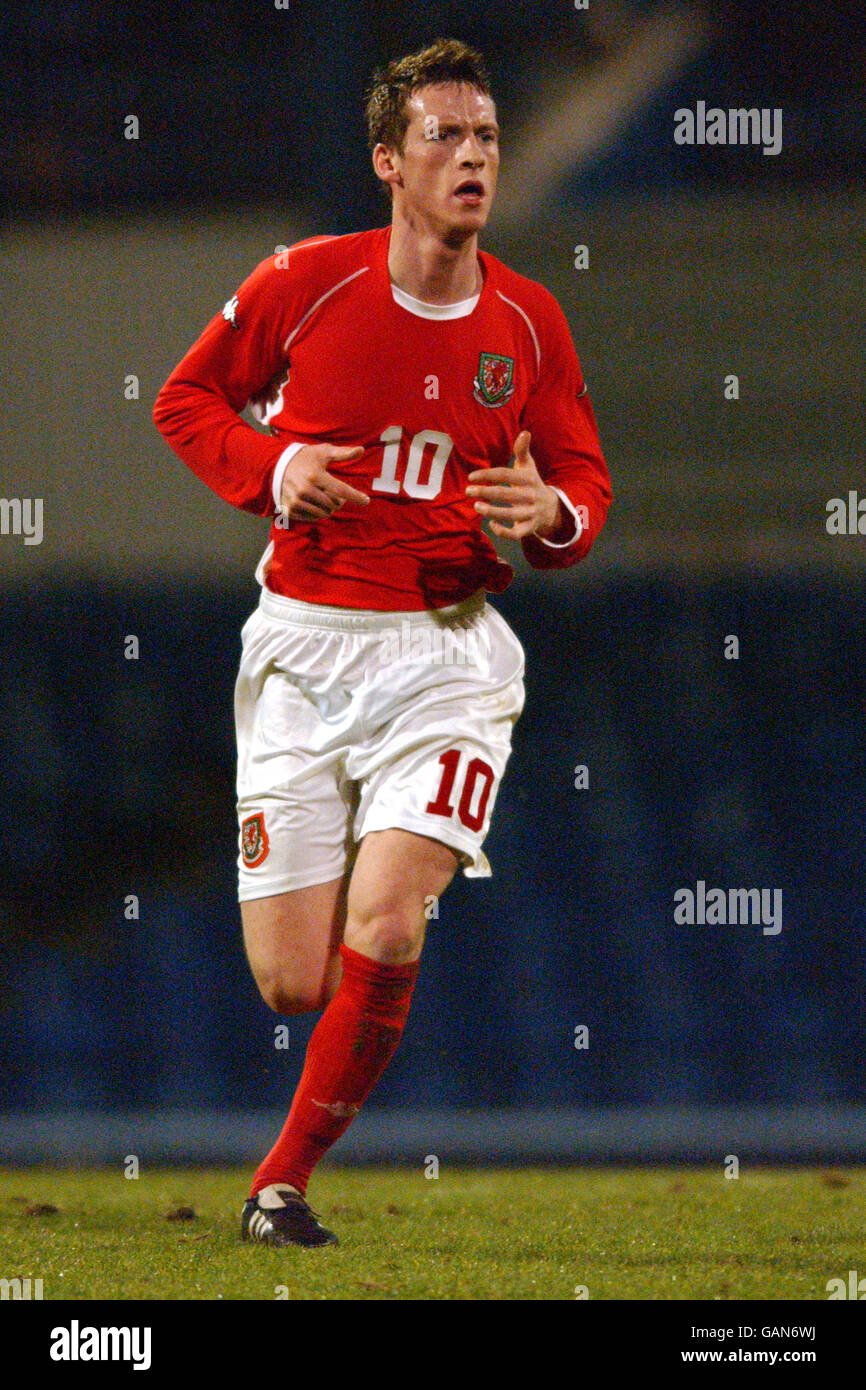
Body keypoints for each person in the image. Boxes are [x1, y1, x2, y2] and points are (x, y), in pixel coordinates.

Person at [153, 37, 612, 1248]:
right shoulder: (302, 282)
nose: (472, 157)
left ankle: (278, 1184)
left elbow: (577, 486)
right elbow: (184, 400)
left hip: (449, 658)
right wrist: (274, 465)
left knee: (391, 922)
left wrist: (551, 520)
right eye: (443, 138)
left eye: (487, 137)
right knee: (293, 982)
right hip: (303, 648)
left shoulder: (529, 320)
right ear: (386, 163)